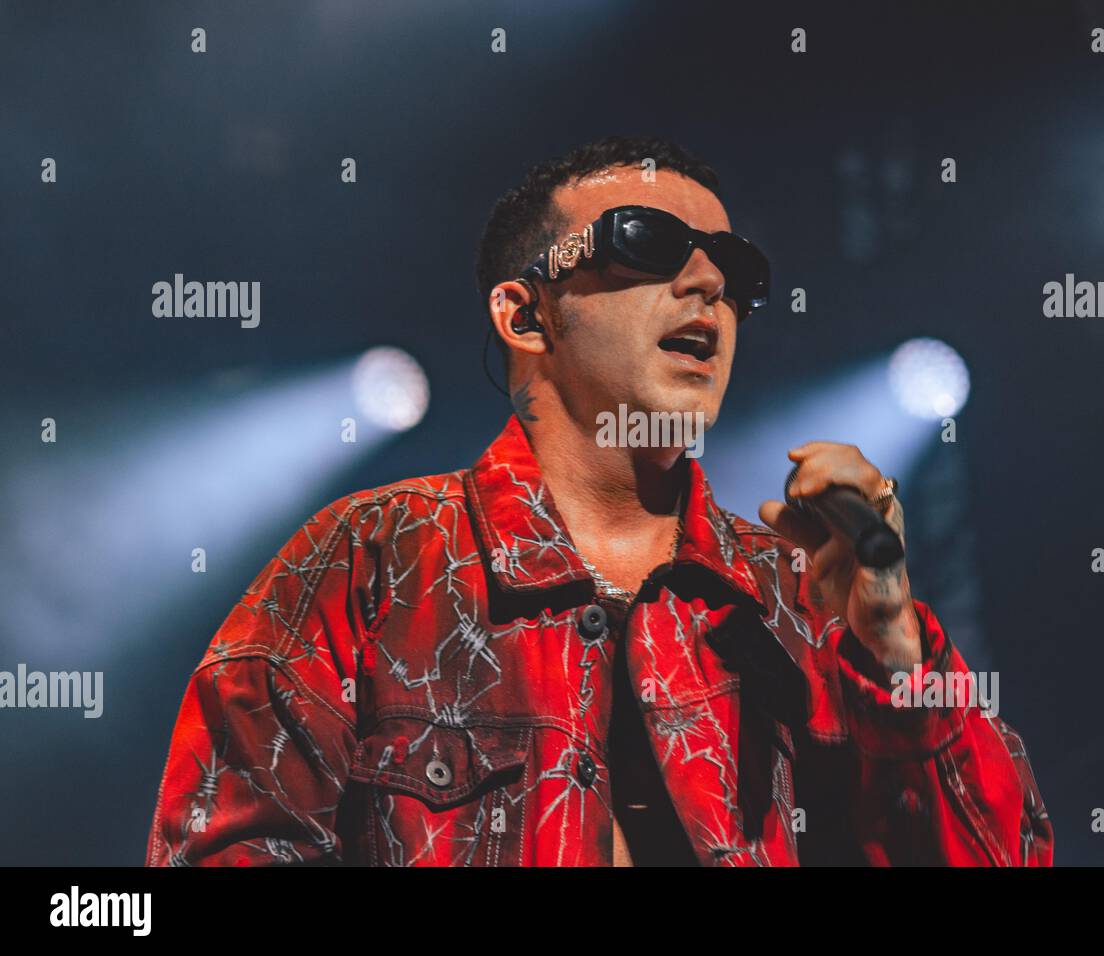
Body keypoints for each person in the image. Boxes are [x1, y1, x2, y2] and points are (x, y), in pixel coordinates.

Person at [146, 135, 1052, 866]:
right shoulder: (372, 558)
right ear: (525, 315)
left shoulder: (801, 599)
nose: (708, 285)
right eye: (646, 245)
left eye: (732, 270)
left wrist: (895, 657)